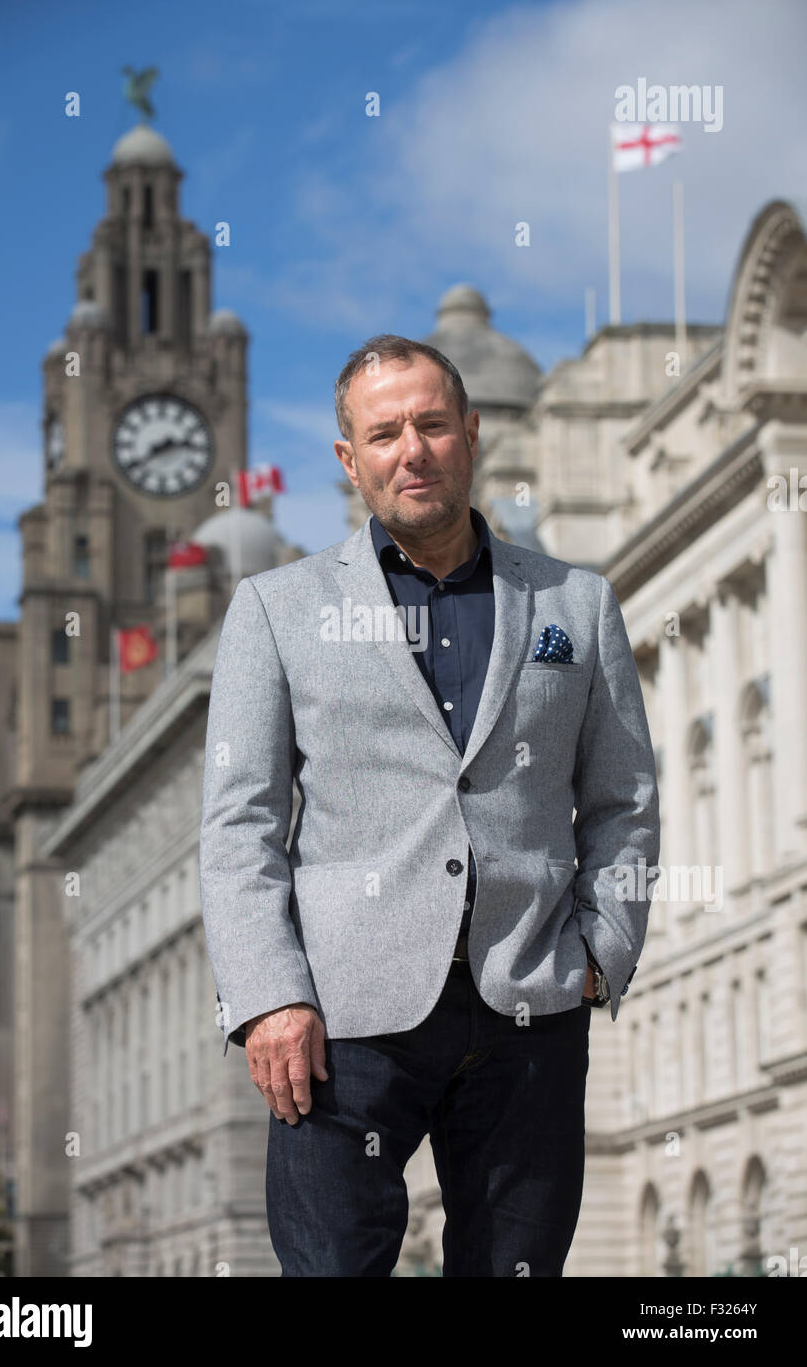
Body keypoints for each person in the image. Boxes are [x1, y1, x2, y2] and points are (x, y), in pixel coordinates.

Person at [199, 334, 660, 1277]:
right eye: (385, 432)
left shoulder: (577, 601)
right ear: (350, 460)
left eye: (432, 424)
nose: (412, 449)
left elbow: (624, 800)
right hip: (339, 1024)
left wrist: (602, 954)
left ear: (471, 433)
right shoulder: (275, 609)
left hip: (529, 1004)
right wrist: (269, 998)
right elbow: (237, 823)